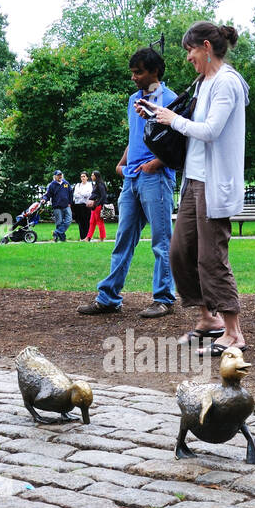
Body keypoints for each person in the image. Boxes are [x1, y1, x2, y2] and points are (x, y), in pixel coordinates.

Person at [149, 22, 249, 355]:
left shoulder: (226, 83)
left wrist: (170, 119)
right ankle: (208, 319)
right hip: (193, 179)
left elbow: (211, 130)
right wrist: (158, 114)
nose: (188, 57)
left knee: (211, 257)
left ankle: (234, 333)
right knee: (180, 252)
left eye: (190, 50)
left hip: (214, 182)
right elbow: (189, 123)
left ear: (206, 47)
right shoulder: (203, 82)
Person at [77, 47, 178, 318]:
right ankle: (108, 297)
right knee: (123, 240)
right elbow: (135, 137)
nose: (134, 77)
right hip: (131, 179)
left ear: (154, 71)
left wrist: (155, 164)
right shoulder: (134, 99)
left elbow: (180, 144)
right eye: (132, 72)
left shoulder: (170, 100)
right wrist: (122, 163)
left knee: (161, 241)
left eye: (139, 72)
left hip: (156, 179)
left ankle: (164, 299)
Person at [44, 169, 72, 242]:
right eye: (58, 175)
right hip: (57, 206)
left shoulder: (66, 183)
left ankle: (56, 232)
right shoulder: (52, 185)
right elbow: (47, 195)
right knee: (59, 222)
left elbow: (70, 193)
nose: (60, 176)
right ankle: (62, 238)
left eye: (60, 175)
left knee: (69, 220)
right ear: (55, 176)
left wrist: (70, 202)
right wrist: (44, 199)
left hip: (66, 205)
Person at [84, 171, 109, 242]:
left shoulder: (100, 185)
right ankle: (88, 237)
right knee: (92, 222)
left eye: (92, 175)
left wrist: (97, 204)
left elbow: (103, 196)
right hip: (94, 206)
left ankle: (102, 238)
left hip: (98, 206)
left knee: (99, 222)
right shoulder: (96, 184)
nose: (91, 177)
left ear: (96, 176)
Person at [71, 171, 93, 240]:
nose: (82, 178)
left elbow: (88, 194)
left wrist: (81, 193)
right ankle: (82, 237)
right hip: (78, 205)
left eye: (84, 176)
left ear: (87, 177)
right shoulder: (78, 185)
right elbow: (75, 194)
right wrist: (82, 194)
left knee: (86, 221)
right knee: (80, 221)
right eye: (81, 176)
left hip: (86, 205)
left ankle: (87, 237)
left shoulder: (89, 185)